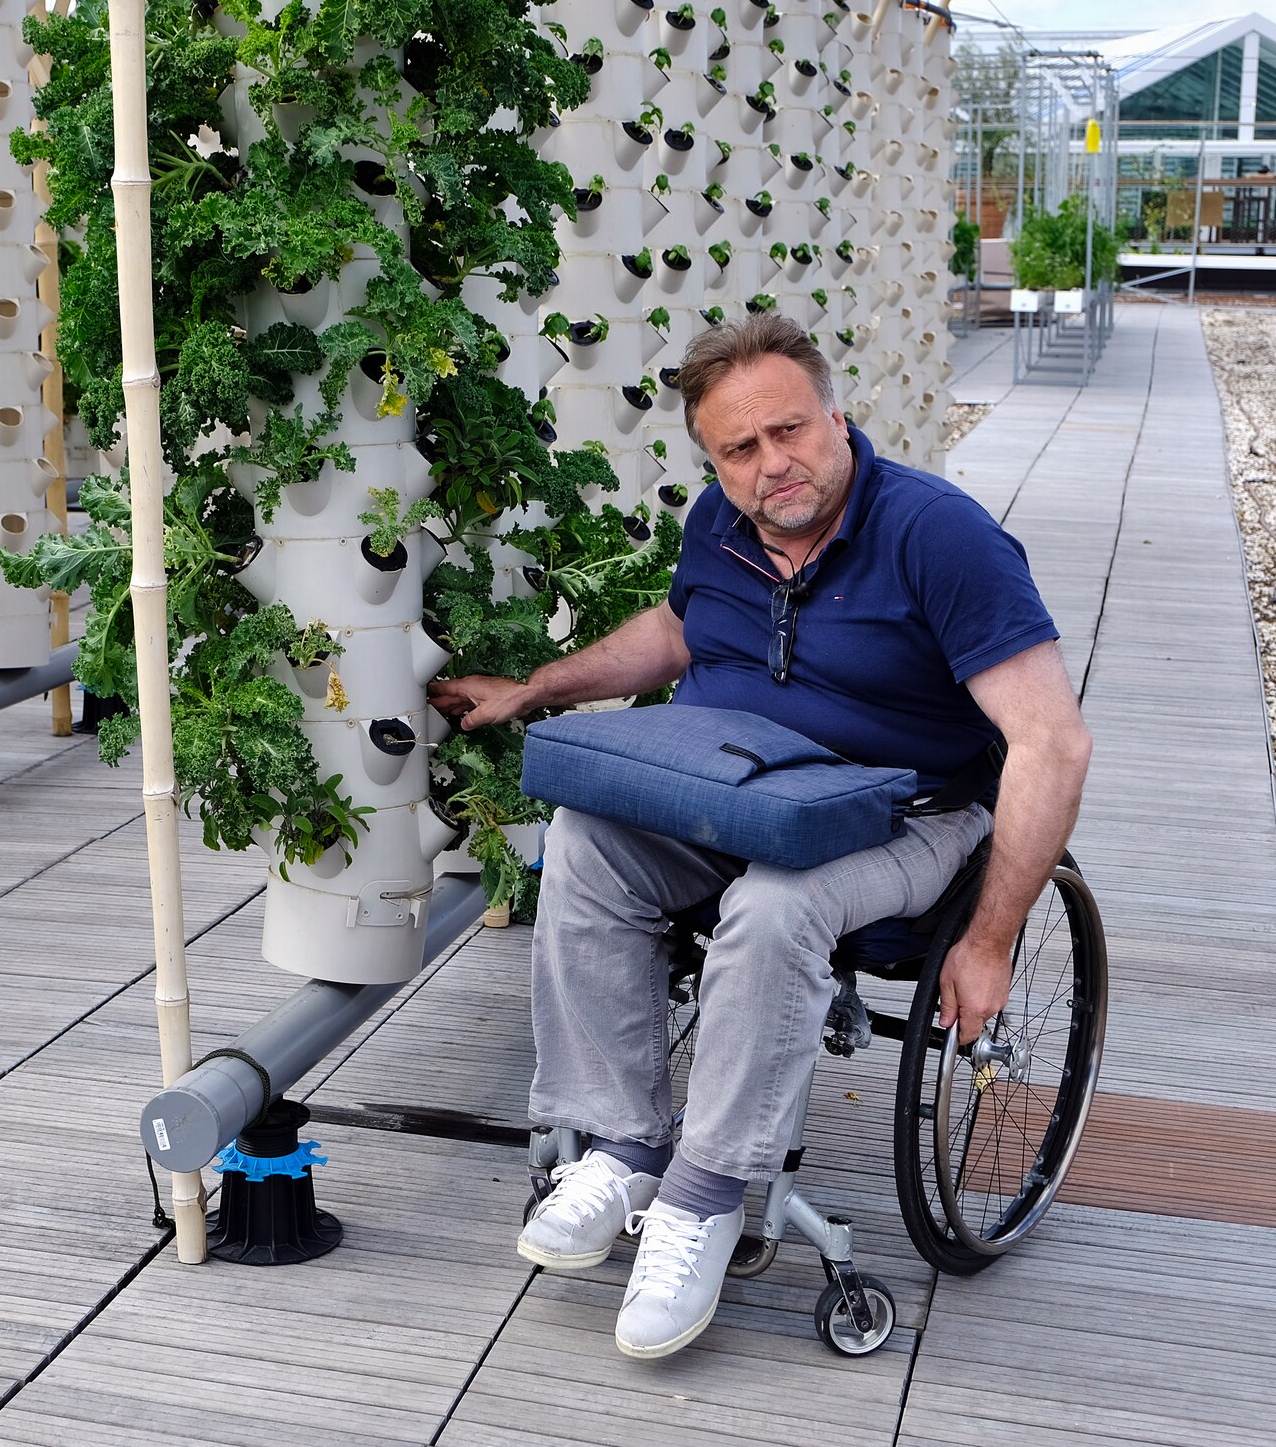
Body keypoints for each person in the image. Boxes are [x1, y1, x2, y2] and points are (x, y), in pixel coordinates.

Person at [428, 313, 1091, 1361]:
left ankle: (702, 1197)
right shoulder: (720, 523)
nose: (770, 464)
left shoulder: (938, 537)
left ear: (835, 416)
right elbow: (679, 630)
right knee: (586, 837)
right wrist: (536, 688)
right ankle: (624, 1146)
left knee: (780, 902)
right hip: (736, 794)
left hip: (905, 814)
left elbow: (1052, 742)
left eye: (788, 431)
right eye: (738, 449)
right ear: (712, 460)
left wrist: (990, 937)